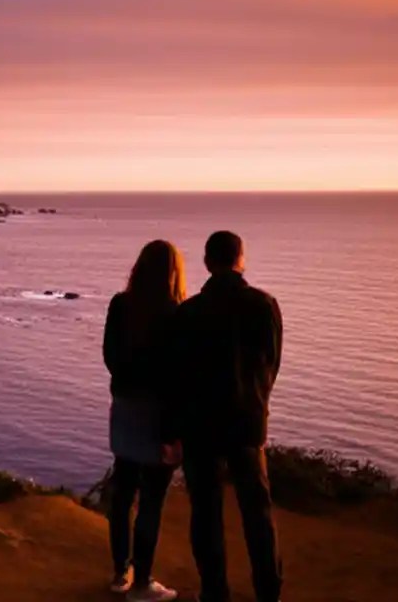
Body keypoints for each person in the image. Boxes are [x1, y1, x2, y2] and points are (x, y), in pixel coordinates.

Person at [173, 231, 284, 602]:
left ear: (207, 262)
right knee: (258, 515)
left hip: (199, 427)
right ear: (241, 259)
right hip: (247, 424)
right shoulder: (264, 305)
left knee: (205, 514)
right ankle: (269, 593)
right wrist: (257, 404)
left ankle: (214, 592)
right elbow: (271, 365)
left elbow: (179, 375)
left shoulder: (188, 313)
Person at [102, 240, 186, 602]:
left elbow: (109, 356)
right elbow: (178, 378)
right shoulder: (177, 313)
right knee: (151, 501)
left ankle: (121, 572)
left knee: (122, 494)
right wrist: (173, 434)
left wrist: (127, 384)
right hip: (159, 414)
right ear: (173, 271)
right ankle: (142, 583)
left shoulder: (120, 305)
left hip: (123, 408)